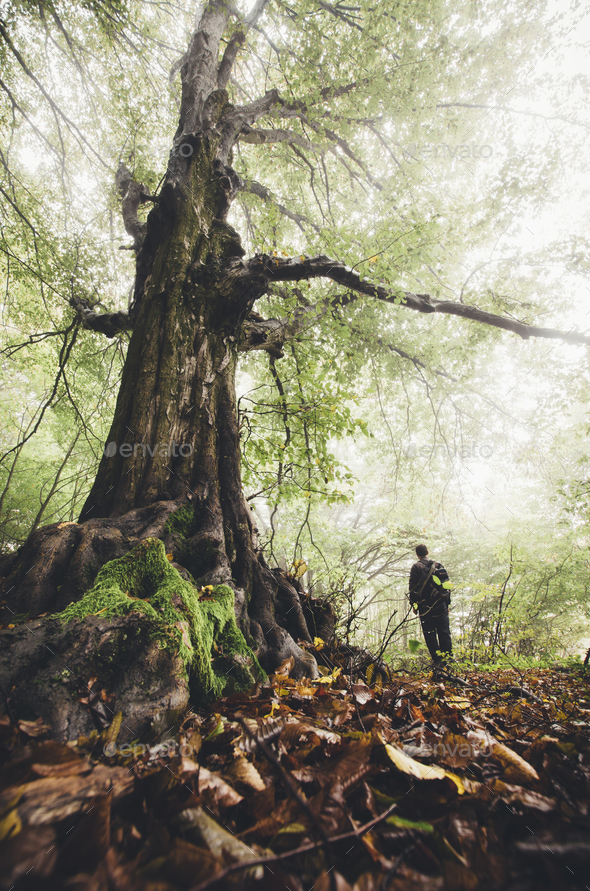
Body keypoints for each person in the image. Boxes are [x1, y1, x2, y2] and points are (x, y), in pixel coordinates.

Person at [408, 544, 452, 670]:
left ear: (417, 554)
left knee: (429, 634)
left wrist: (414, 605)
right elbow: (446, 585)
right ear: (428, 552)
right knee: (444, 632)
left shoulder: (416, 567)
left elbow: (413, 588)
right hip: (440, 605)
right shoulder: (439, 565)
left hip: (425, 607)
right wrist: (447, 604)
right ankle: (448, 662)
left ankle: (438, 663)